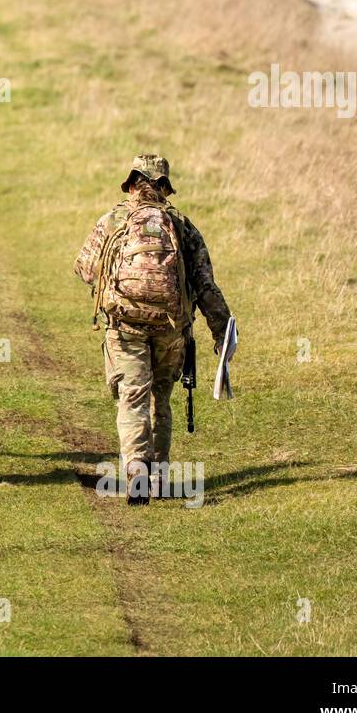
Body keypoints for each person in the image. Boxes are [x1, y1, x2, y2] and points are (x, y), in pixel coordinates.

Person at [75, 155, 230, 505]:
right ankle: (159, 476)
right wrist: (221, 332)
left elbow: (84, 268)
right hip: (171, 329)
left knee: (133, 396)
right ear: (164, 187)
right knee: (161, 397)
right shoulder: (182, 226)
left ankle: (135, 468)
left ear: (131, 184)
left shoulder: (113, 220)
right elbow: (205, 286)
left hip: (125, 325)